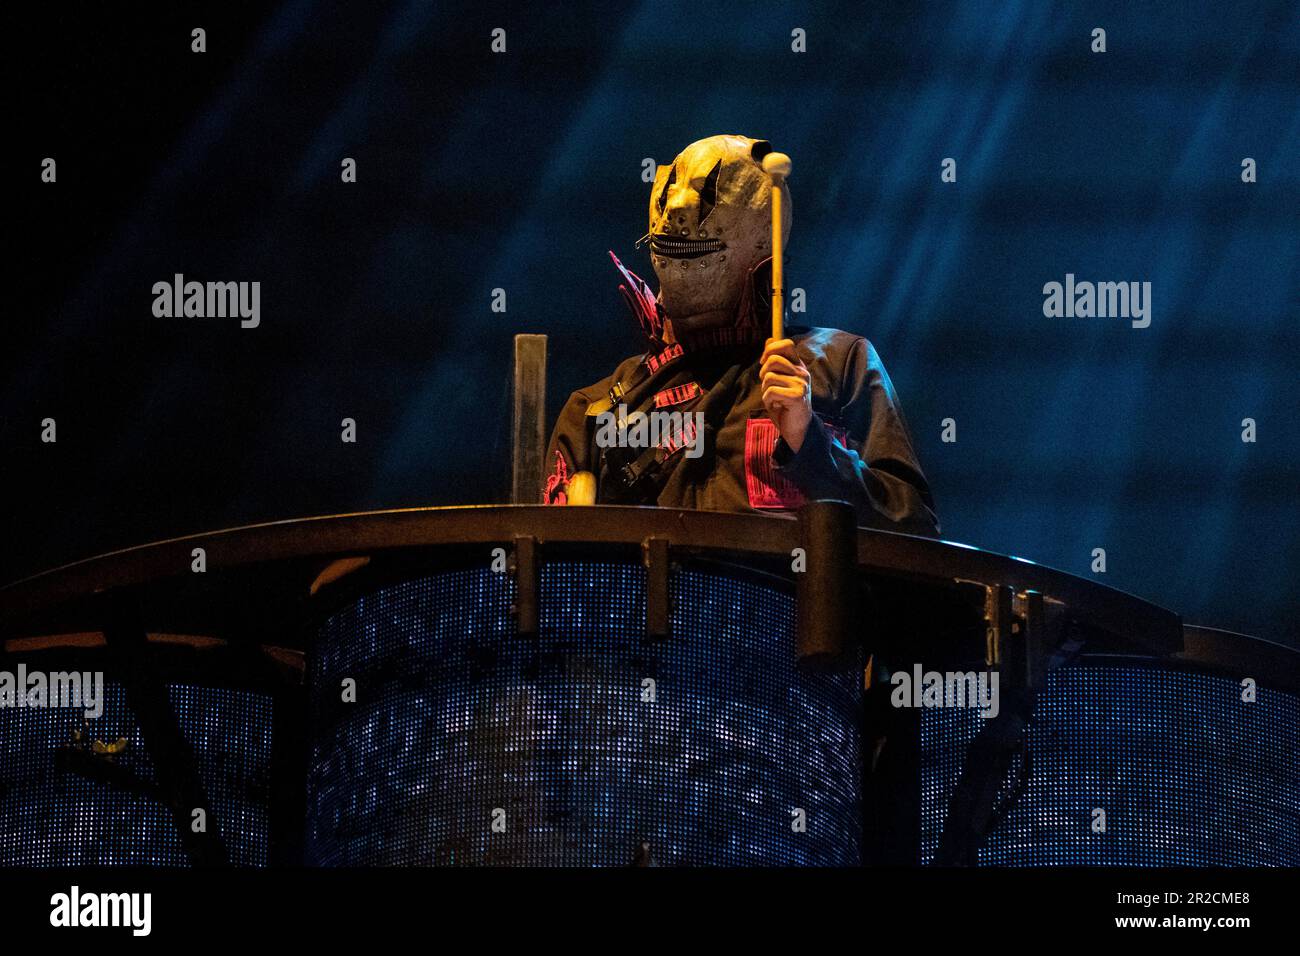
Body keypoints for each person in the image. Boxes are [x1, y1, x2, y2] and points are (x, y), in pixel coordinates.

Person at [543, 133, 938, 536]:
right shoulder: (596, 411)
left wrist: (811, 443)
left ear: (766, 235)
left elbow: (914, 529)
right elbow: (556, 575)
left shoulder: (837, 364)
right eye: (671, 193)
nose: (679, 209)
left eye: (709, 193)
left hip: (791, 599)